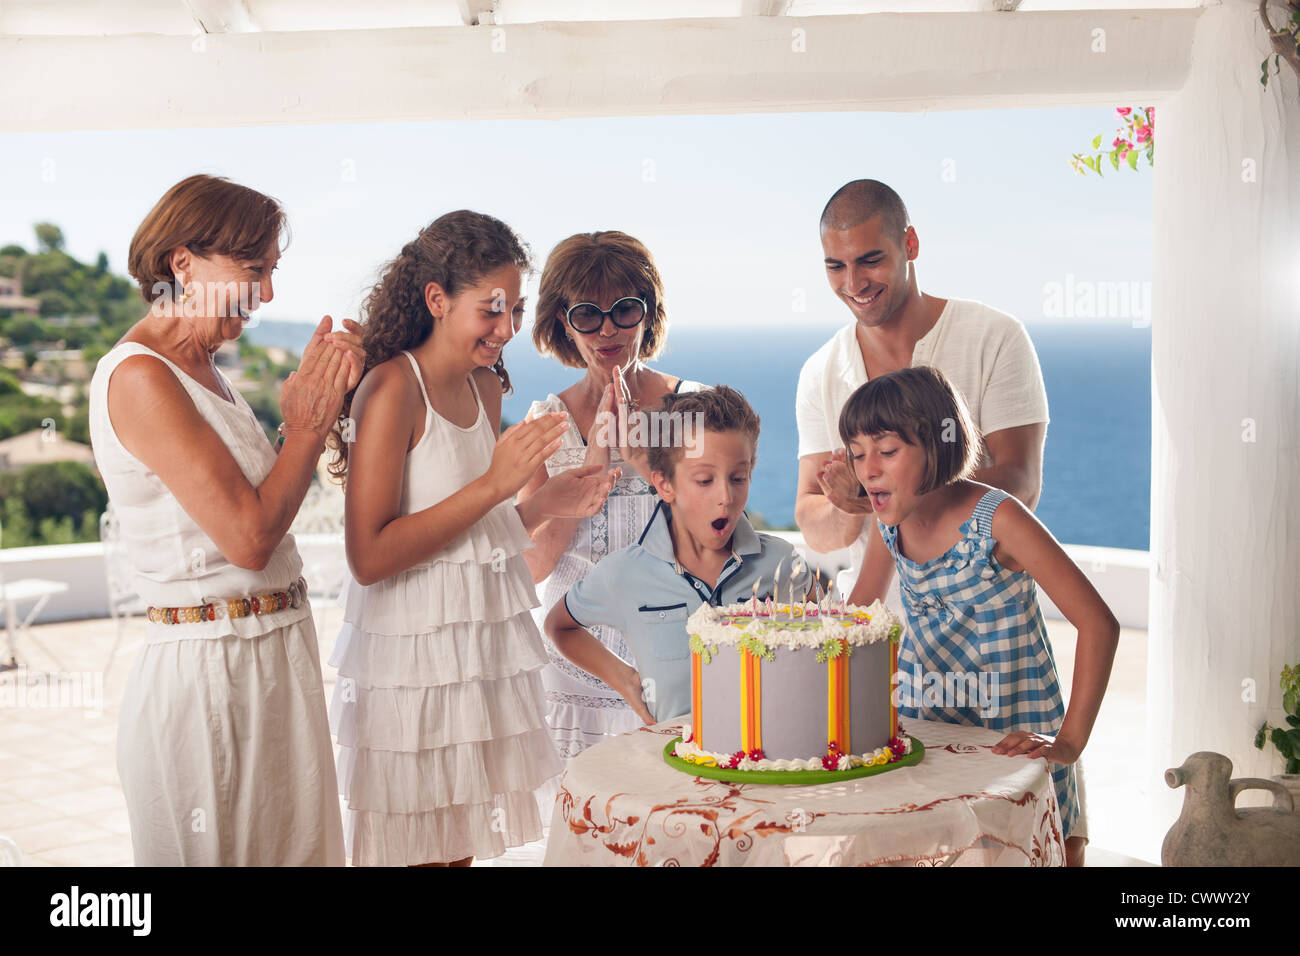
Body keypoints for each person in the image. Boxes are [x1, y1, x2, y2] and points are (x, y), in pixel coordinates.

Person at [325, 210, 619, 867]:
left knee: (458, 856)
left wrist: (544, 502)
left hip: (475, 655)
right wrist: (495, 484)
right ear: (436, 300)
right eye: (491, 309)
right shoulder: (393, 387)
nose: (507, 328)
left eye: (515, 309)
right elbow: (369, 557)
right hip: (411, 665)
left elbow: (473, 540)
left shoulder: (486, 389)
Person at [89, 173, 363, 865]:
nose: (268, 293)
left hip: (270, 658)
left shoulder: (207, 373)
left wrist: (318, 414)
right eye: (253, 269)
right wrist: (304, 425)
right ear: (182, 263)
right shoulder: (140, 377)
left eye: (271, 271)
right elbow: (247, 538)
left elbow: (261, 500)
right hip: (209, 678)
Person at [839, 366, 1118, 867]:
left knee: (1035, 852)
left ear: (938, 445)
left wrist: (1070, 741)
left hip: (1014, 743)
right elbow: (857, 621)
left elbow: (1099, 623)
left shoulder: (998, 519)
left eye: (887, 451)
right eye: (858, 454)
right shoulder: (890, 528)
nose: (868, 470)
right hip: (935, 740)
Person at [794, 179, 1049, 610]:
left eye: (870, 260)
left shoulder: (995, 337)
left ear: (910, 244)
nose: (853, 283)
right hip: (877, 627)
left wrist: (891, 495)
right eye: (835, 266)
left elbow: (1021, 484)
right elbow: (812, 520)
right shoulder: (820, 371)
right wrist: (847, 507)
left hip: (982, 621)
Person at [518, 231, 703, 757]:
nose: (607, 329)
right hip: (573, 663)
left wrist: (641, 456)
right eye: (586, 314)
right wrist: (592, 459)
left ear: (648, 314)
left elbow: (719, 531)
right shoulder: (545, 423)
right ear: (561, 321)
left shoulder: (694, 406)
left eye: (624, 309)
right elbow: (533, 566)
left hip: (676, 658)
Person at [545, 386, 811, 725]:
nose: (725, 497)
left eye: (739, 478)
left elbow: (823, 649)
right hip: (671, 771)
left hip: (770, 765)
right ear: (665, 484)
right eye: (704, 480)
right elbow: (559, 626)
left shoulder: (783, 564)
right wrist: (625, 680)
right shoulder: (624, 574)